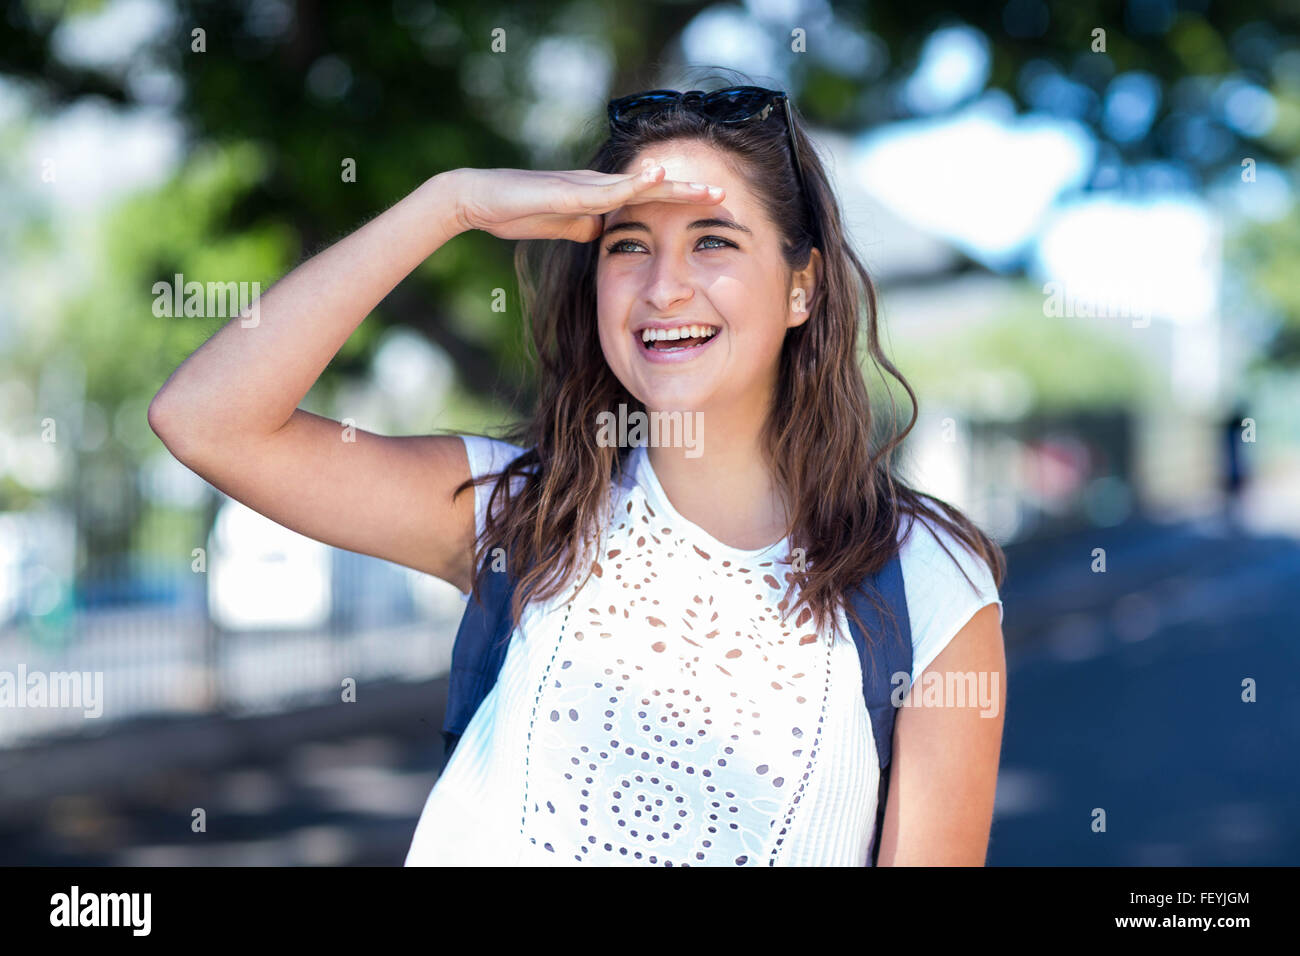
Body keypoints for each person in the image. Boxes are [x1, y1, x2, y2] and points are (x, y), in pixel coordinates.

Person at [149, 79, 1007, 867]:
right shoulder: (522, 511)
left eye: (713, 241)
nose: (665, 287)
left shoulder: (924, 580)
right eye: (629, 246)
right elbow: (205, 421)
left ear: (801, 288)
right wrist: (449, 204)